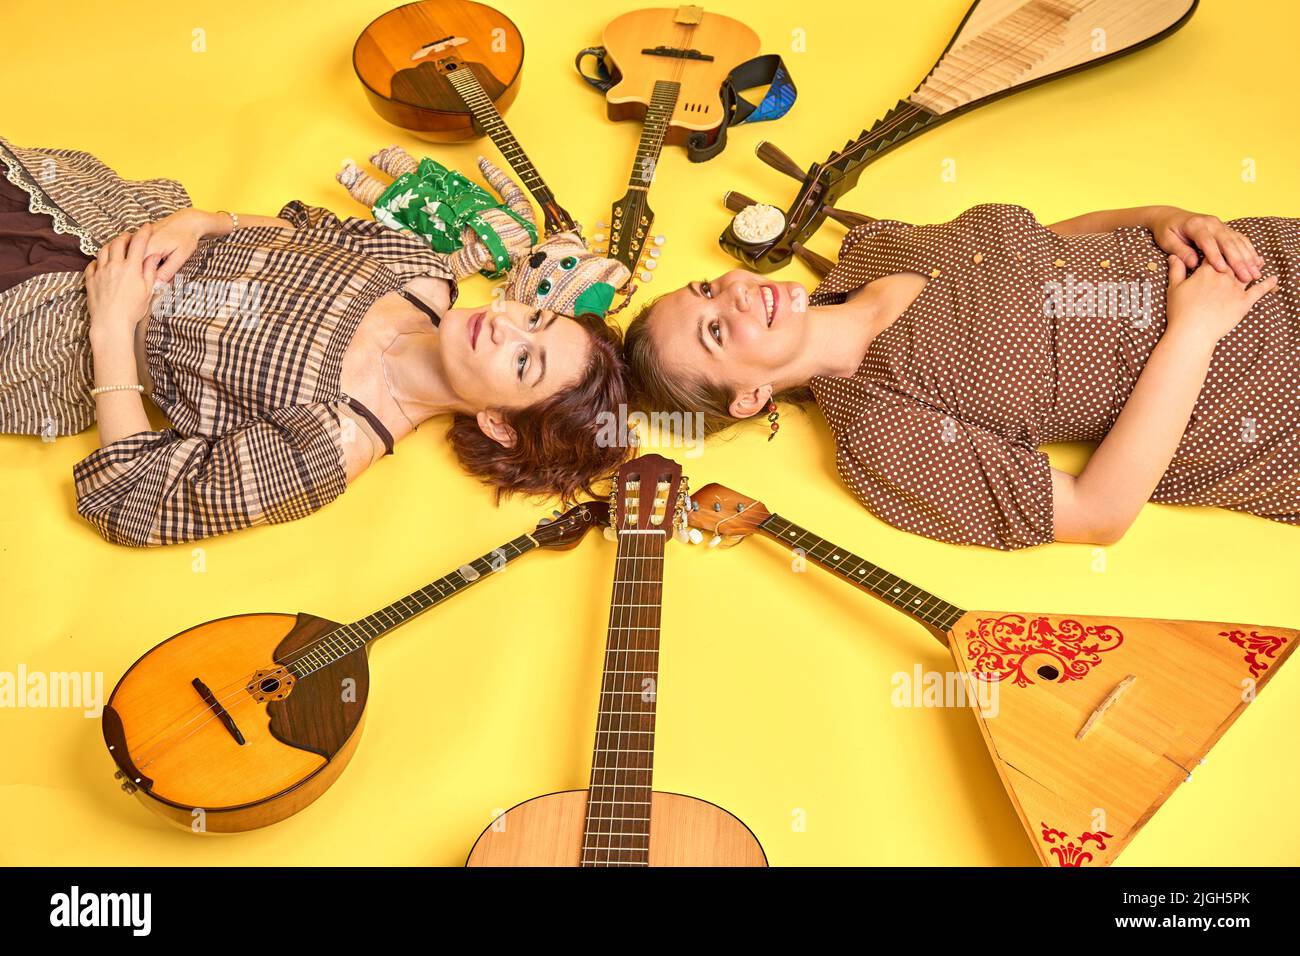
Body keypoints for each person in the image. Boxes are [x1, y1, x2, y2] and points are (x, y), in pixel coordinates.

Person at [0, 136, 629, 547]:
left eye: (523, 360)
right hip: (97, 210)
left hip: (48, 326)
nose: (505, 323)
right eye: (536, 321)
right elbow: (307, 225)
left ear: (496, 423)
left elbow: (135, 498)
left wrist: (111, 324)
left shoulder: (329, 447)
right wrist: (204, 222)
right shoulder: (422, 272)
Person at [624, 201, 1296, 550]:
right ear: (749, 398)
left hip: (1269, 254)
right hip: (1267, 392)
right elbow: (1098, 516)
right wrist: (1194, 331)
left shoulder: (871, 247)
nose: (736, 295)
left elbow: (1048, 238)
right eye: (715, 331)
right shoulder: (881, 435)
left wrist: (1165, 219)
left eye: (707, 288)